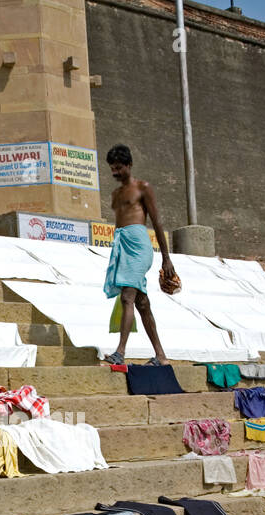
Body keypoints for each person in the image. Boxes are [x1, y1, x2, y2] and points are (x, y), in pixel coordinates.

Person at [101, 143, 176, 366]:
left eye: (119, 168)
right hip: (123, 245)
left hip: (139, 246)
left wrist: (166, 257)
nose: (115, 173)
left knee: (127, 297)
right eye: (112, 169)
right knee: (142, 303)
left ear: (129, 165)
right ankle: (161, 355)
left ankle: (120, 352)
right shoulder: (115, 194)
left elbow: (156, 221)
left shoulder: (143, 188)